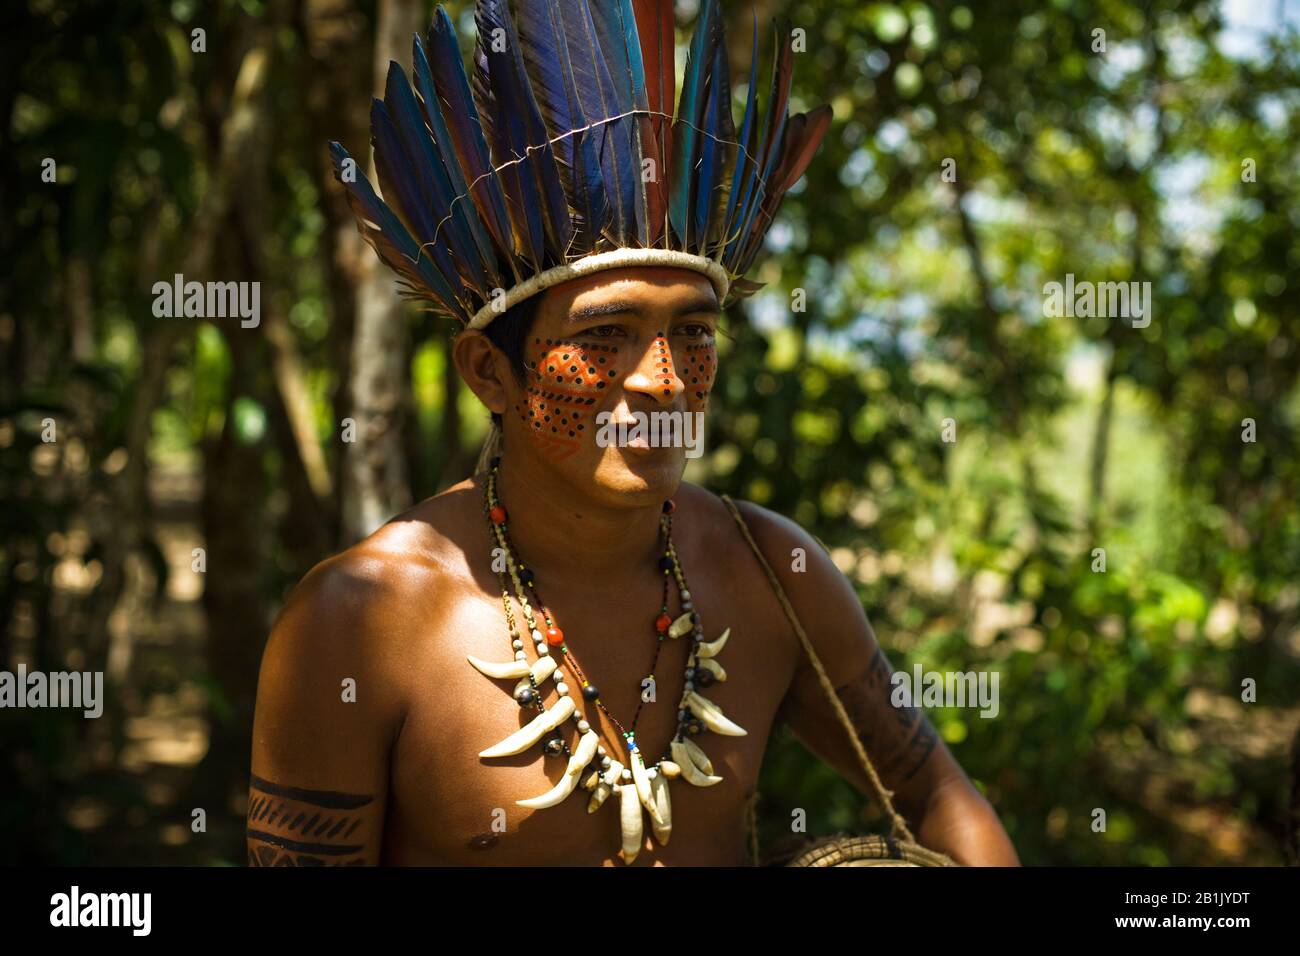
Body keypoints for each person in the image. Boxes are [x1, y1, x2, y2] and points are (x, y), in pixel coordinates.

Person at [246, 0, 1019, 867]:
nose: (662, 378)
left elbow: (939, 795)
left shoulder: (771, 576)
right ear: (489, 372)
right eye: (603, 337)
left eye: (694, 333)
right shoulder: (361, 622)